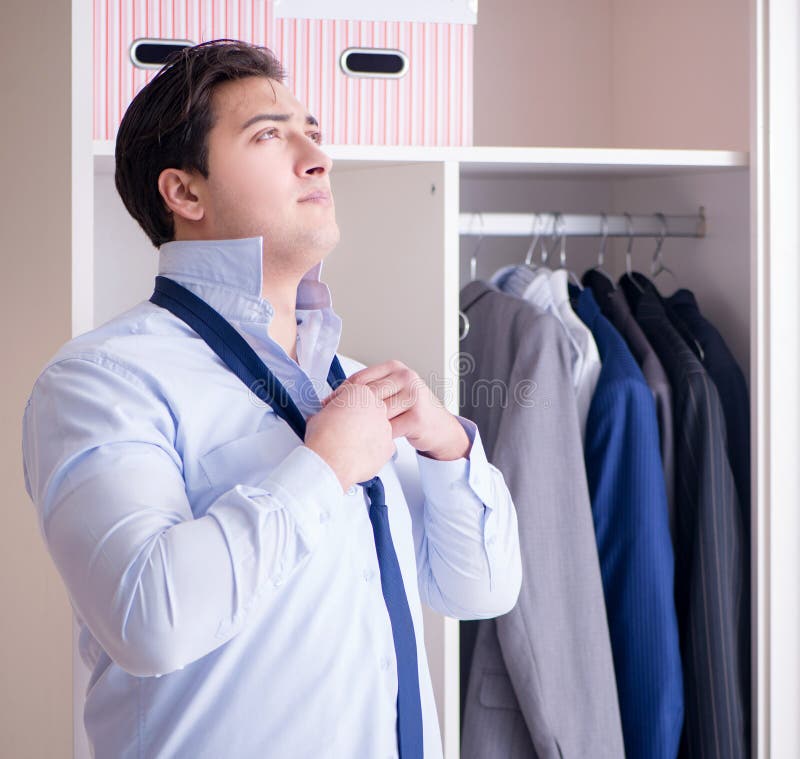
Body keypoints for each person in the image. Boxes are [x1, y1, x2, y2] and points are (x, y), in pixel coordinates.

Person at [21, 40, 521, 758]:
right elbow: (147, 619)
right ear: (184, 192)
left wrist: (450, 448)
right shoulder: (102, 381)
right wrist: (323, 470)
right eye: (268, 134)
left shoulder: (348, 384)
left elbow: (479, 590)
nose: (316, 155)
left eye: (311, 130)